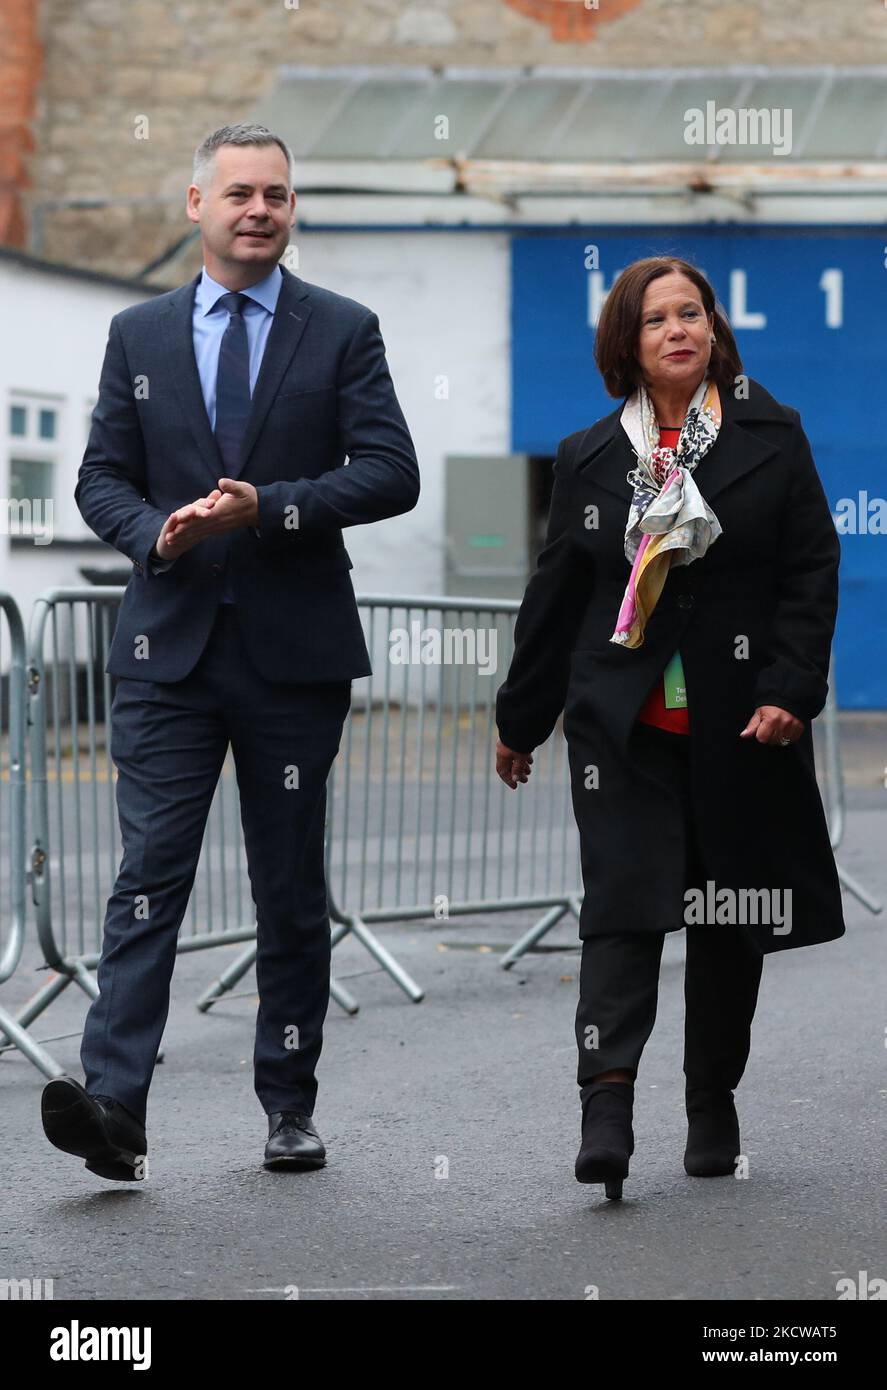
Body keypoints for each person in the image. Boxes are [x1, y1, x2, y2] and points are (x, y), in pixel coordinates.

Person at [41, 122, 419, 1180]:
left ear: (291, 211)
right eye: (241, 192)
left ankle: (287, 1107)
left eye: (278, 195)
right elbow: (100, 476)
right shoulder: (139, 333)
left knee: (287, 886)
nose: (260, 209)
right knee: (148, 876)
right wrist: (150, 530)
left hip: (293, 657)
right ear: (196, 204)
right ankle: (113, 1102)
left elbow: (391, 471)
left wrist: (275, 509)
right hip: (167, 650)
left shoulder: (341, 328)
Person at [494, 255, 844, 1200]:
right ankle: (604, 1105)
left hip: (740, 728)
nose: (678, 330)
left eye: (691, 313)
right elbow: (557, 592)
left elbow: (810, 570)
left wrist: (789, 687)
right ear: (628, 343)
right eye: (655, 320)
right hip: (626, 729)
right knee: (623, 912)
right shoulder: (589, 456)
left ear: (713, 330)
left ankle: (709, 1104)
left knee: (725, 920)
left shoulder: (773, 433)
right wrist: (520, 718)